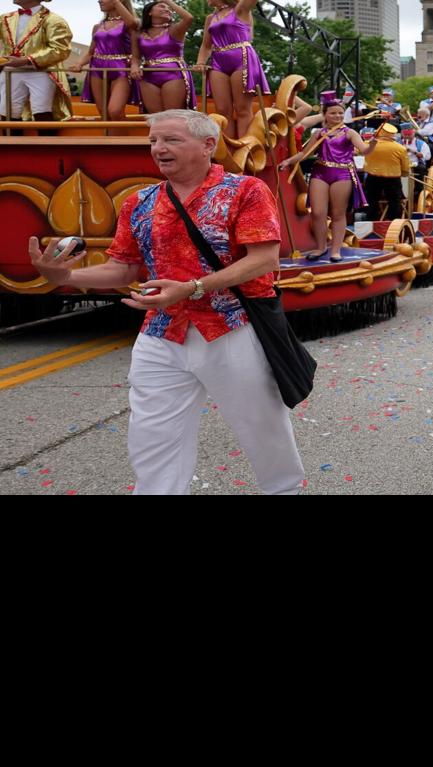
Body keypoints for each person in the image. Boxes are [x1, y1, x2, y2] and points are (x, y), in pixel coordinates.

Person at [27, 108, 302, 495]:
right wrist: (66, 276)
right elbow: (121, 270)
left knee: (263, 429)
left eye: (171, 139)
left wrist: (192, 287)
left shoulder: (245, 191)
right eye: (154, 141)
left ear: (208, 145)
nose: (158, 148)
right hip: (161, 333)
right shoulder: (138, 202)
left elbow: (264, 259)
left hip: (232, 327)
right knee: (152, 438)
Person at [277, 91, 377, 261]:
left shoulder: (349, 133)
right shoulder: (318, 133)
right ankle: (320, 247)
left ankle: (336, 250)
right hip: (320, 172)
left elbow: (364, 150)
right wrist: (288, 161)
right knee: (317, 212)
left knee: (338, 214)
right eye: (333, 113)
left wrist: (373, 143)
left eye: (340, 112)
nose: (337, 116)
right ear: (325, 115)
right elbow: (304, 153)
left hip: (342, 173)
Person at [194, 0, 267, 141]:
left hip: (241, 56)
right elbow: (206, 46)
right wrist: (200, 62)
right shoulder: (211, 18)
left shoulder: (240, 9)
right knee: (222, 110)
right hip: (218, 60)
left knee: (242, 109)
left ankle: (245, 148)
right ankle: (228, 150)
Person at [2, 0, 74, 124]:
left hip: (41, 71)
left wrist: (27, 60)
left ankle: (46, 143)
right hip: (11, 71)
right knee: (7, 111)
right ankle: (13, 143)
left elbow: (61, 49)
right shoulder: (5, 18)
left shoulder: (54, 20)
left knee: (42, 110)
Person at [69, 0, 138, 122]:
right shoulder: (98, 27)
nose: (99, 1)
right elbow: (91, 52)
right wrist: (79, 63)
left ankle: (125, 141)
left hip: (120, 68)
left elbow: (133, 24)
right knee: (104, 114)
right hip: (97, 68)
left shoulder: (128, 23)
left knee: (115, 111)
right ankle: (110, 141)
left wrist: (117, 3)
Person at [135, 0, 194, 113]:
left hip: (173, 73)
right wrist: (134, 65)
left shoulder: (175, 30)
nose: (167, 9)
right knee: (155, 117)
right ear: (149, 12)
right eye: (162, 6)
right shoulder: (139, 33)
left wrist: (168, 1)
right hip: (148, 76)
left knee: (172, 115)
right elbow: (136, 56)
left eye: (169, 8)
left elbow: (189, 18)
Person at [361, 120, 410, 220]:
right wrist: (404, 174)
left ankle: (371, 222)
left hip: (373, 177)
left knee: (371, 200)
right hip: (393, 178)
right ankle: (394, 222)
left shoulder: (367, 144)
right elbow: (405, 167)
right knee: (394, 201)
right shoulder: (400, 148)